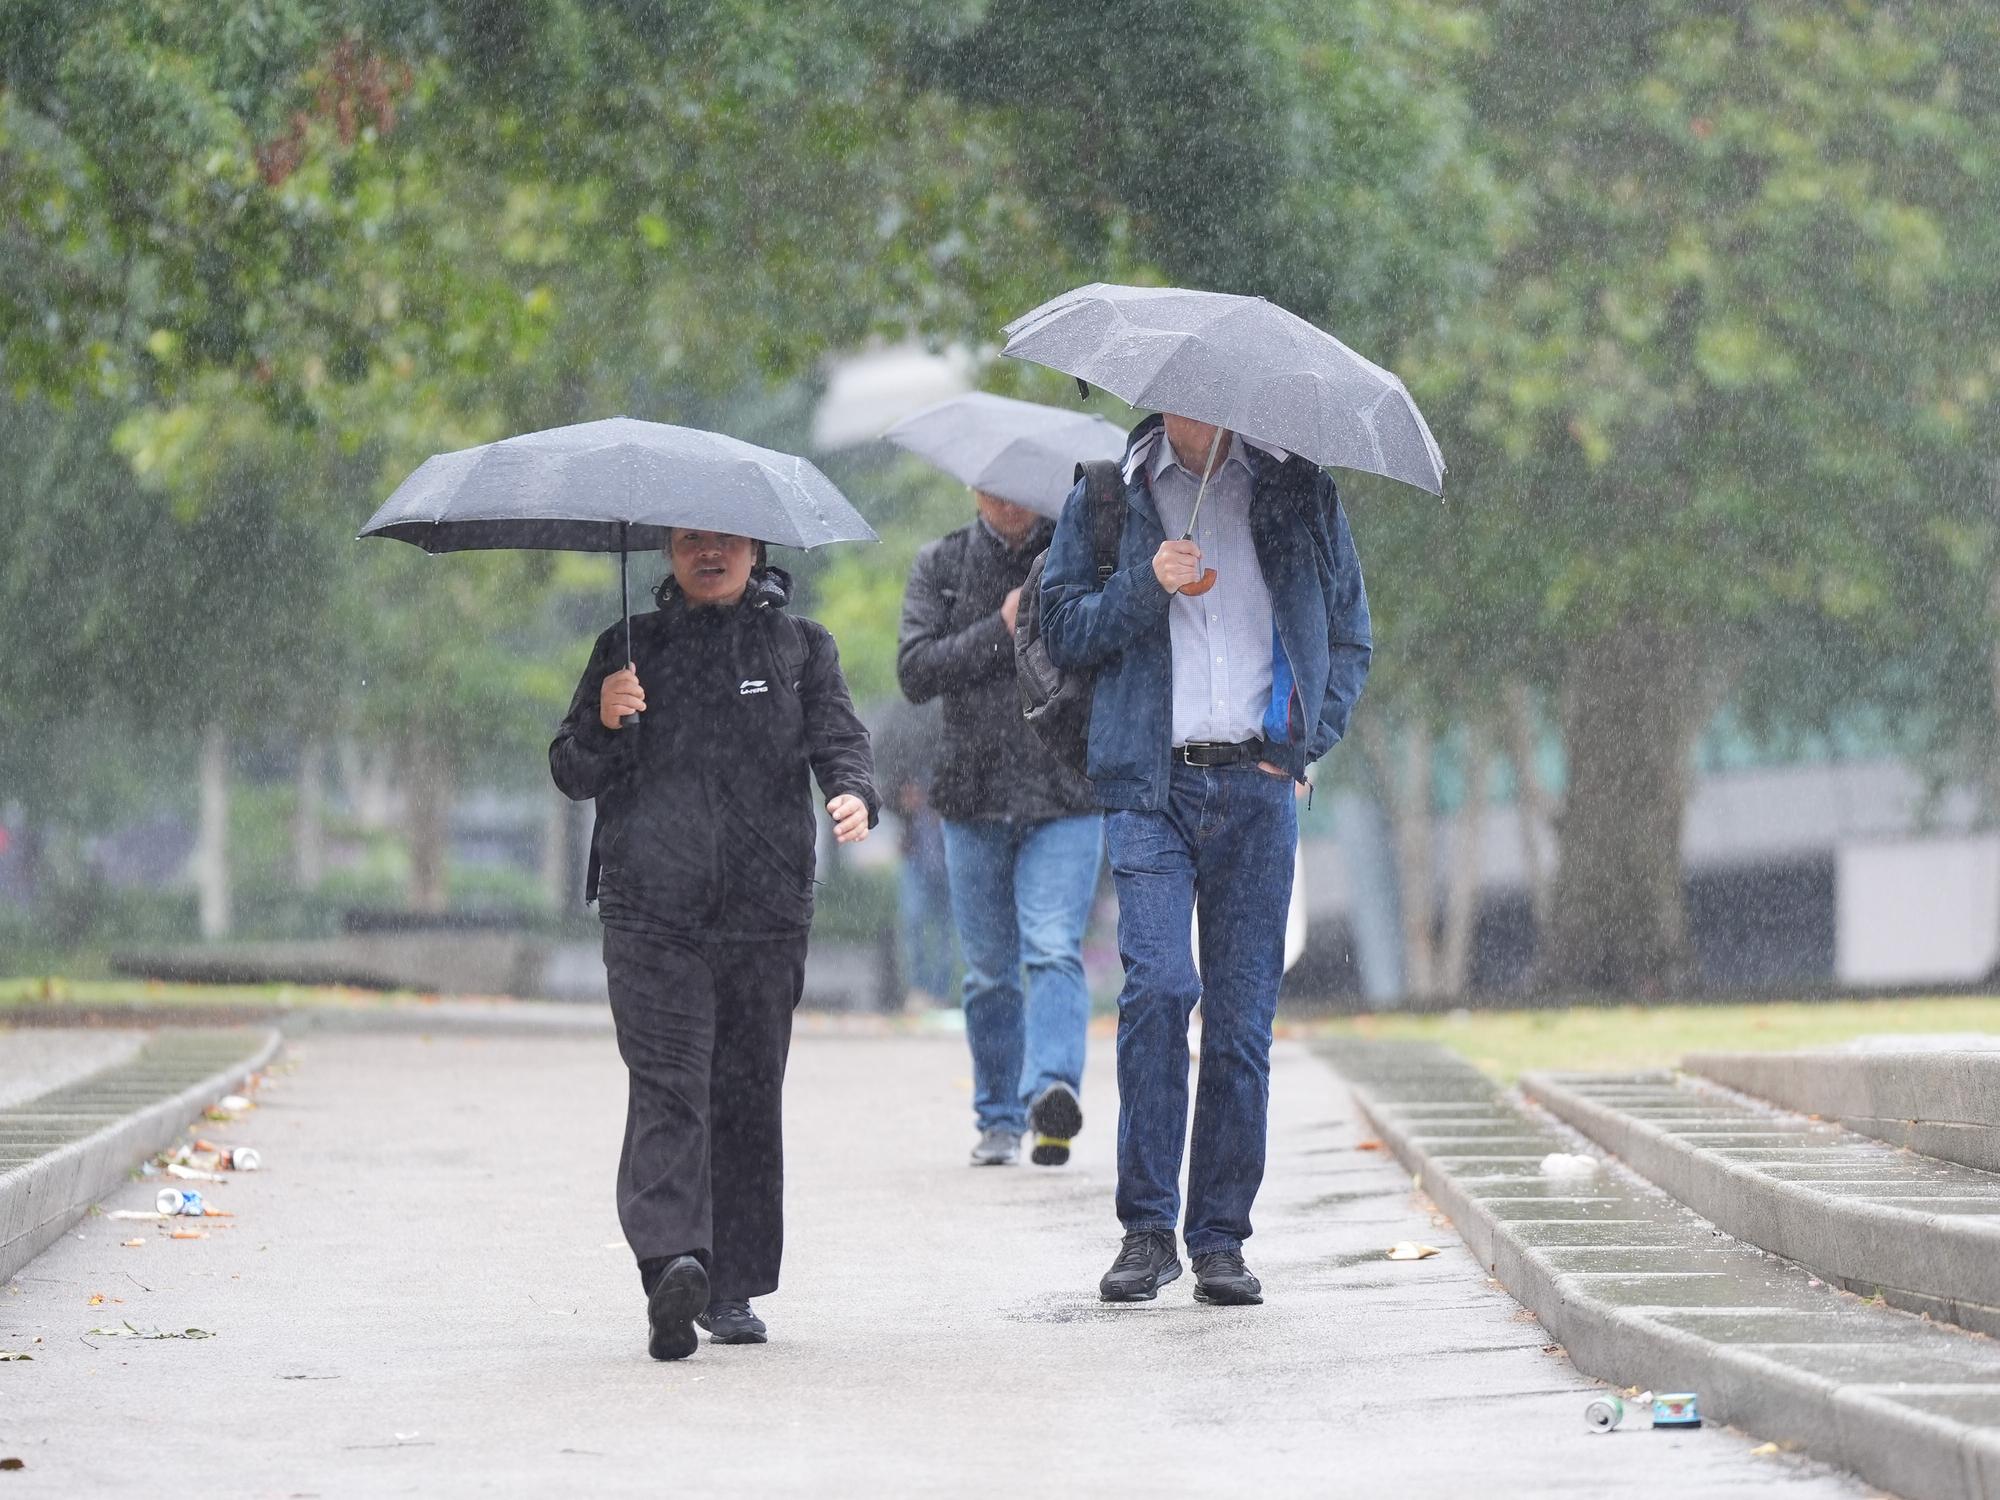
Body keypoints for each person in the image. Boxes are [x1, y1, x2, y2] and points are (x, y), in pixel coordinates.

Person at [1040, 412, 1370, 1307]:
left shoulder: (1297, 491)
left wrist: (1305, 742)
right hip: (1150, 783)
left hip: (1259, 788)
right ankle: (1146, 1230)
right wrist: (1144, 586)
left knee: (1238, 1023)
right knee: (1157, 989)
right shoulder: (1109, 495)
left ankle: (1219, 1236)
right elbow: (1059, 627)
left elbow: (1349, 634)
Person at [550, 527, 877, 1360]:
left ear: (757, 550)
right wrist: (604, 717)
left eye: (725, 540)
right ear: (666, 550)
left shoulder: (802, 646)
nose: (709, 553)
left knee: (745, 1091)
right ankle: (670, 1268)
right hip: (649, 911)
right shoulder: (627, 648)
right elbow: (571, 768)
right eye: (691, 540)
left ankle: (728, 1288)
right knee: (669, 1088)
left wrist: (853, 794)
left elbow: (840, 739)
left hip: (765, 914)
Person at [898, 489, 1102, 1167]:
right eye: (993, 482)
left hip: (1064, 790)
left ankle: (1052, 1090)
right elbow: (916, 671)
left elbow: (1105, 649)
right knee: (988, 971)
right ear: (972, 486)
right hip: (971, 794)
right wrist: (1001, 627)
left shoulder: (1076, 555)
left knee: (1052, 948)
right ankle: (998, 1116)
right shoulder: (943, 563)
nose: (1006, 497)